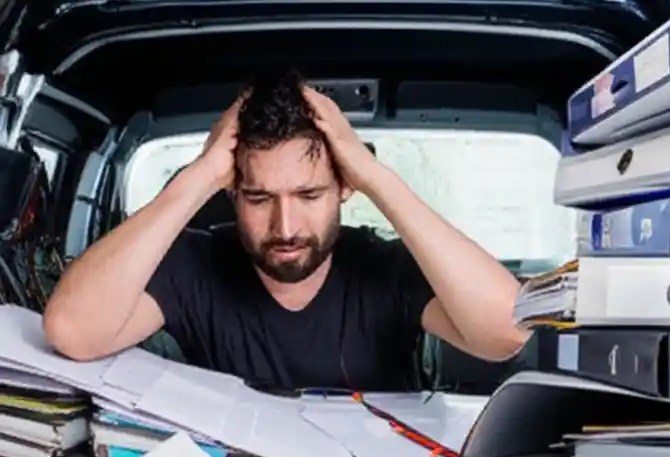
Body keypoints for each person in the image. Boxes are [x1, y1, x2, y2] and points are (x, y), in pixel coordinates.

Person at [42, 67, 528, 392]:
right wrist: (200, 175)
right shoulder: (194, 266)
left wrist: (375, 177)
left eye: (309, 195)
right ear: (232, 192)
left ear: (344, 187)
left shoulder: (386, 269)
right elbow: (73, 332)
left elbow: (508, 333)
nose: (286, 226)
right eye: (259, 198)